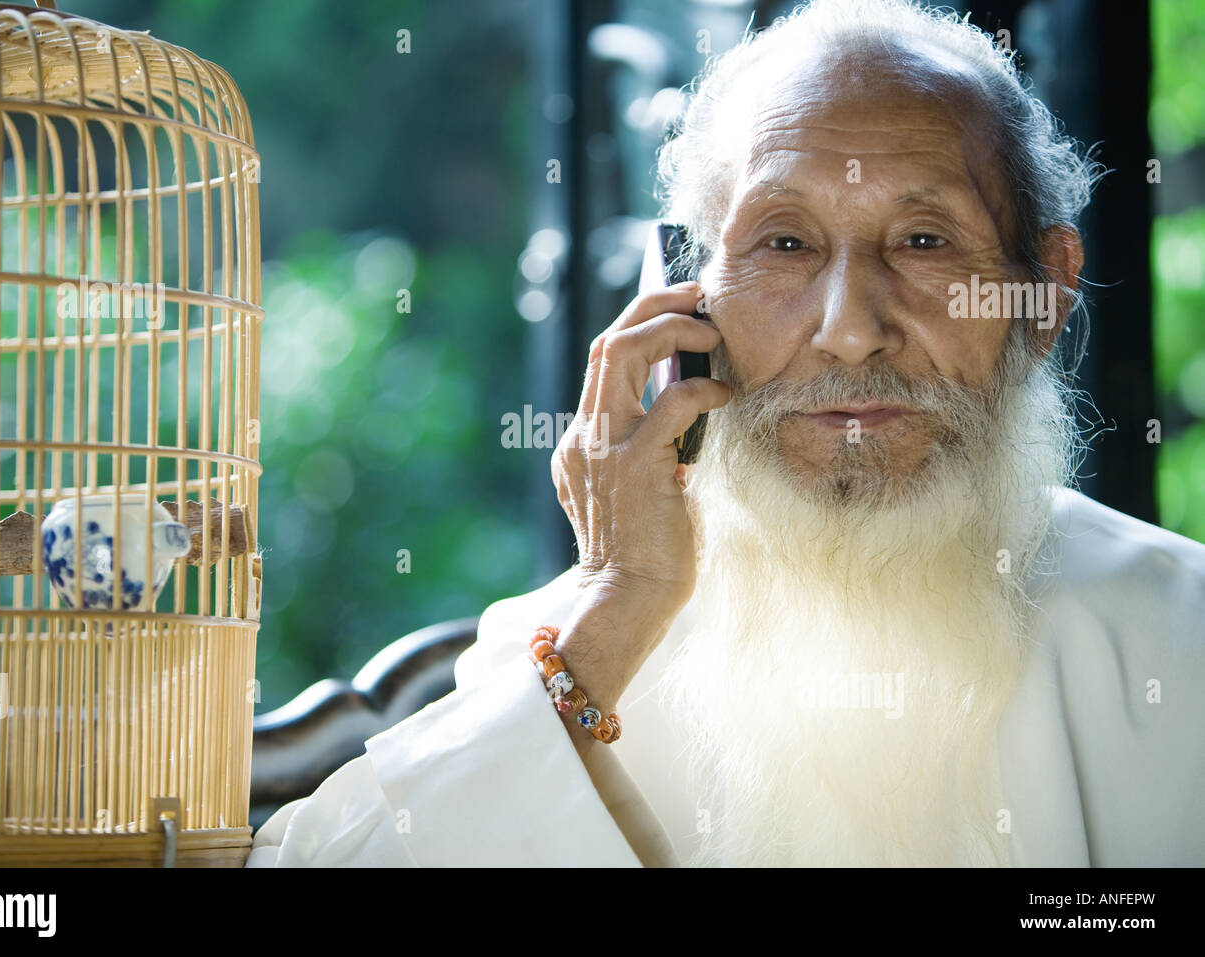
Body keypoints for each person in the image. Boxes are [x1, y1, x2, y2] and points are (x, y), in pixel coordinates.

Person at [247, 0, 1205, 867]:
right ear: (685, 301)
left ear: (1045, 295)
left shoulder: (1181, 634)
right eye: (784, 243)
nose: (851, 329)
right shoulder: (581, 642)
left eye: (924, 241)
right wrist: (619, 602)